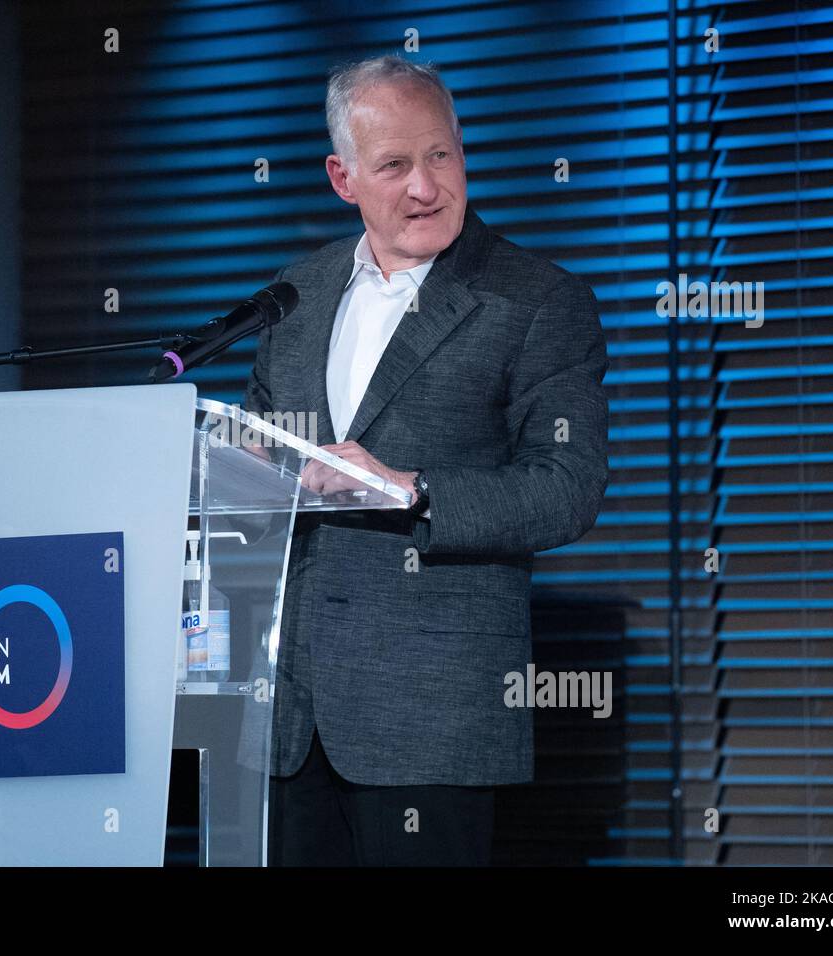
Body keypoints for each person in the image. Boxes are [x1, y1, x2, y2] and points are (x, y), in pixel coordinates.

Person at [241, 55, 609, 866]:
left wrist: (410, 490)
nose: (424, 186)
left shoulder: (535, 299)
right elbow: (261, 464)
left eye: (440, 155)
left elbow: (567, 489)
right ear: (343, 178)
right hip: (289, 721)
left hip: (430, 720)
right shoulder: (292, 299)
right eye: (395, 165)